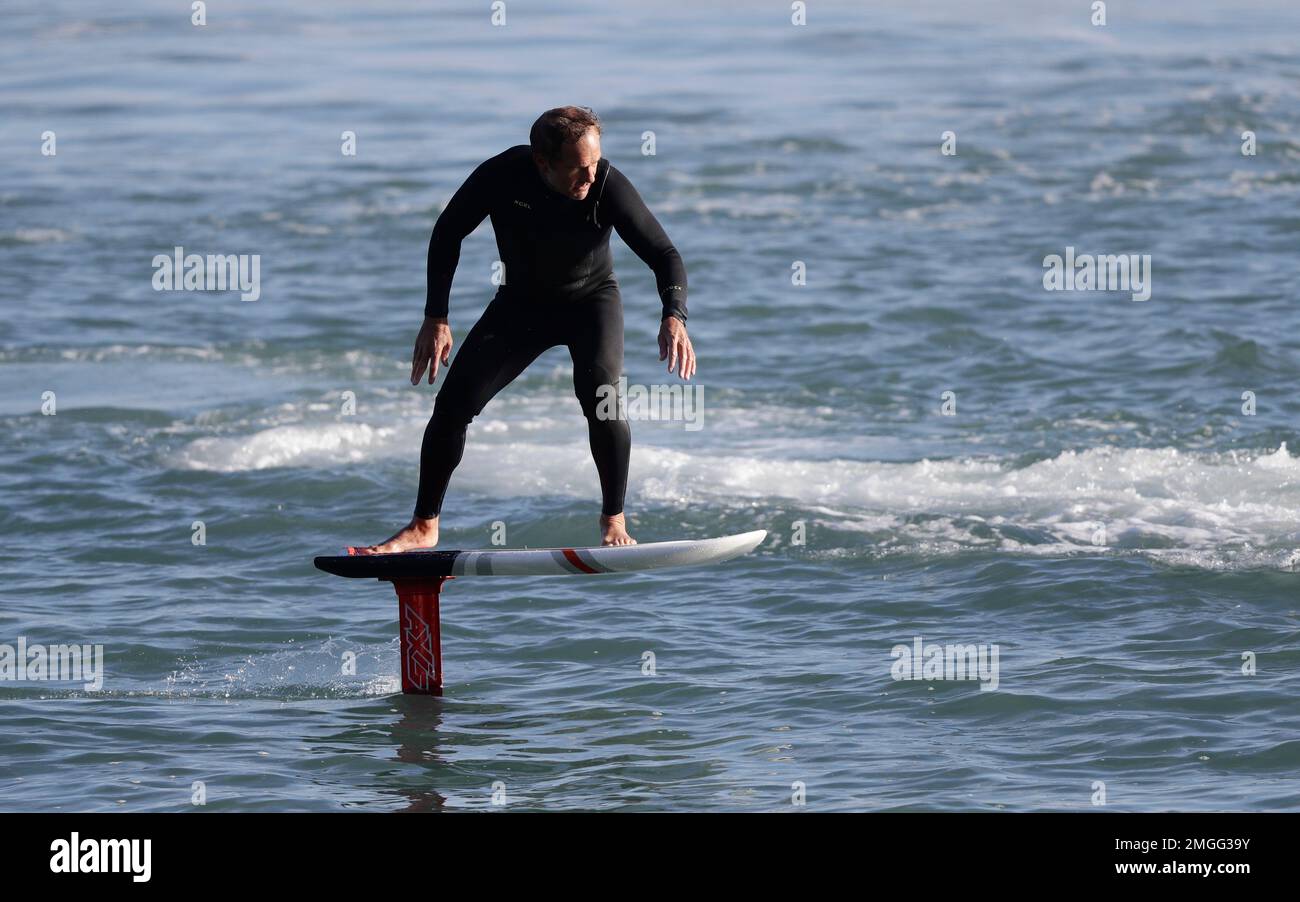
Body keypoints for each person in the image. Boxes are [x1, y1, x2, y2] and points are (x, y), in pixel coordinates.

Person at [353, 106, 696, 554]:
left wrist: (674, 314)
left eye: (594, 164)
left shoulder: (606, 183)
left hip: (591, 302)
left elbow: (664, 253)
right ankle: (424, 526)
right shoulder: (504, 174)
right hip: (522, 305)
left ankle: (613, 518)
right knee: (452, 406)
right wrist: (436, 318)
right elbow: (447, 232)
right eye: (577, 169)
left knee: (602, 397)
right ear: (542, 162)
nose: (589, 178)